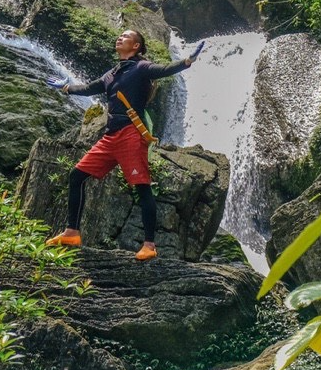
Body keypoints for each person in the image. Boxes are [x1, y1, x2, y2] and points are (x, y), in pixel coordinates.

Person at [45, 28, 204, 261]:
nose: (120, 38)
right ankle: (71, 232)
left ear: (136, 46)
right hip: (110, 136)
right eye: (119, 36)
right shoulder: (112, 74)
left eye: (126, 36)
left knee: (142, 186)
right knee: (76, 176)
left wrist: (187, 61)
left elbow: (165, 70)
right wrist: (67, 88)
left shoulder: (142, 68)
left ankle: (149, 245)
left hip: (131, 133)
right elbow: (89, 88)